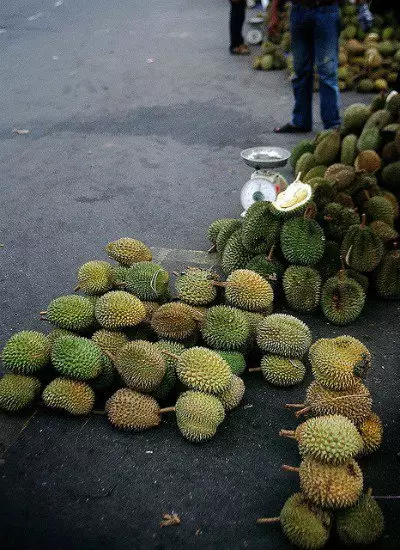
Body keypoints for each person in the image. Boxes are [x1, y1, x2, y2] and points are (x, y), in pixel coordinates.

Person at [269, 0, 373, 133]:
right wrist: (274, 12)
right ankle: (300, 122)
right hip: (299, 11)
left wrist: (361, 6)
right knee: (300, 71)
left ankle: (332, 125)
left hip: (326, 11)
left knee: (327, 72)